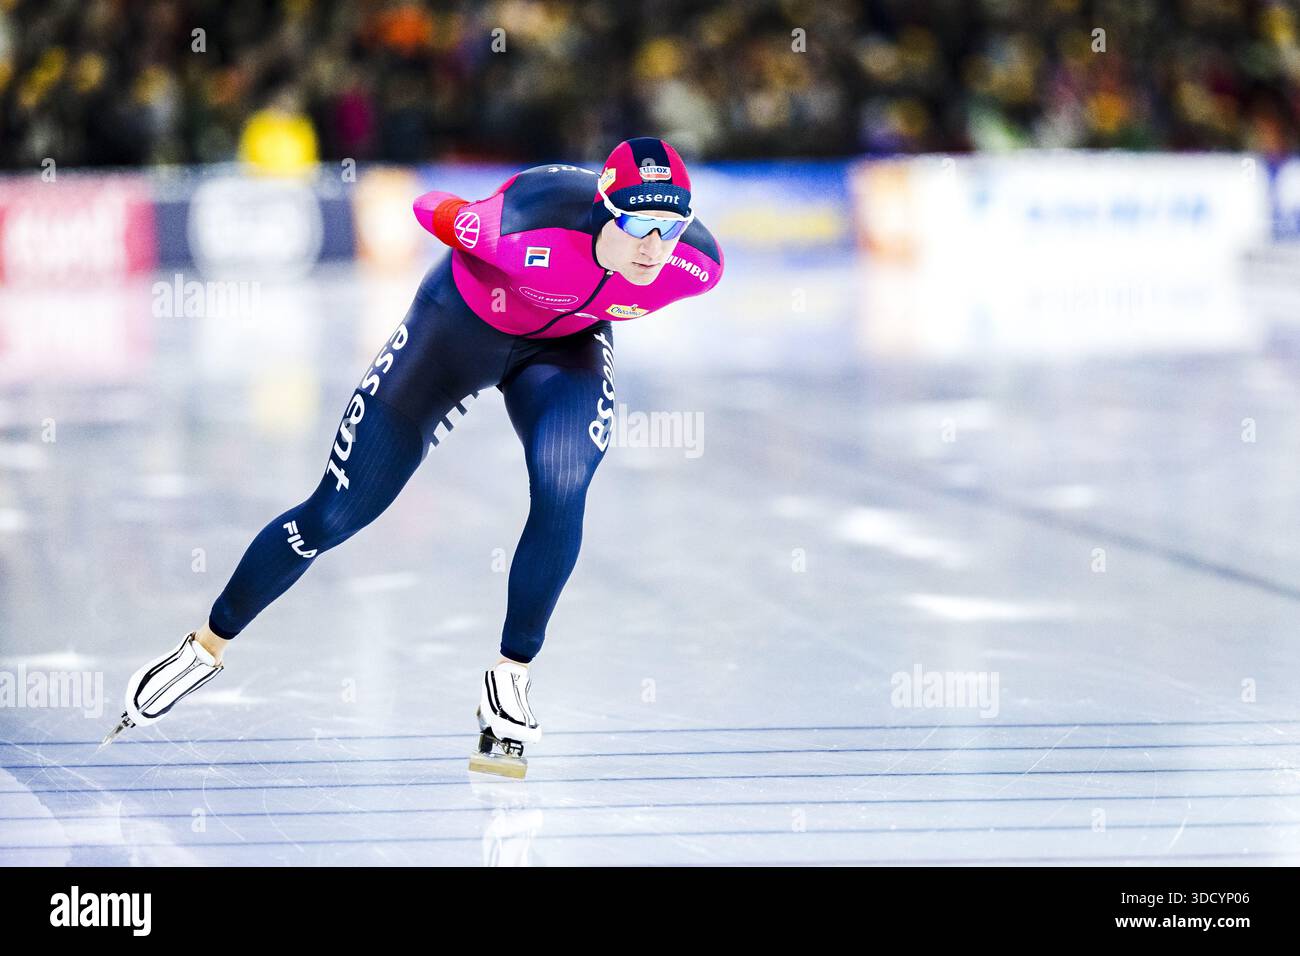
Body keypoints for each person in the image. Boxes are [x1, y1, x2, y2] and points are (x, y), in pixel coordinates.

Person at [104, 138, 725, 775]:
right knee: (334, 515)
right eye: (639, 225)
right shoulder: (530, 221)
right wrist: (462, 221)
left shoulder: (695, 265)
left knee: (564, 484)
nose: (655, 247)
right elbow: (428, 204)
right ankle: (206, 645)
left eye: (670, 226)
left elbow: (657, 259)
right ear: (603, 208)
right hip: (456, 332)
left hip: (564, 352)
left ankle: (511, 676)